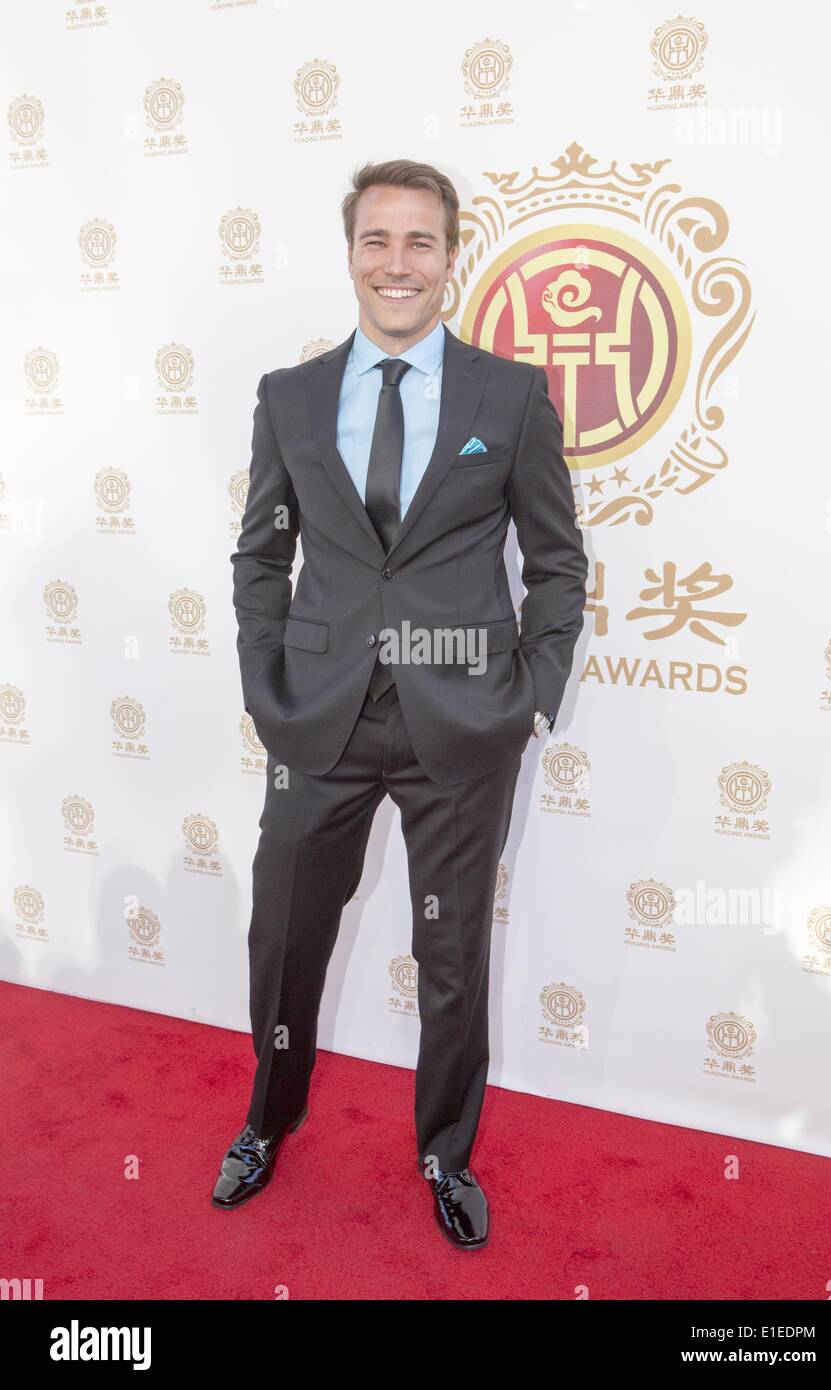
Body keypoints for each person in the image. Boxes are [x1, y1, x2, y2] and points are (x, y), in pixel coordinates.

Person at [212, 158, 588, 1249]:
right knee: (283, 937)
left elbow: (556, 562)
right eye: (377, 240)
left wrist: (529, 696)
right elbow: (258, 557)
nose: (397, 263)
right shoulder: (288, 398)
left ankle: (442, 1153)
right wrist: (264, 684)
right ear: (349, 255)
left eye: (419, 242)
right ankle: (264, 1123)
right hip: (316, 722)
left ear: (450, 259)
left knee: (453, 954)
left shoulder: (508, 396)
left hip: (461, 726)